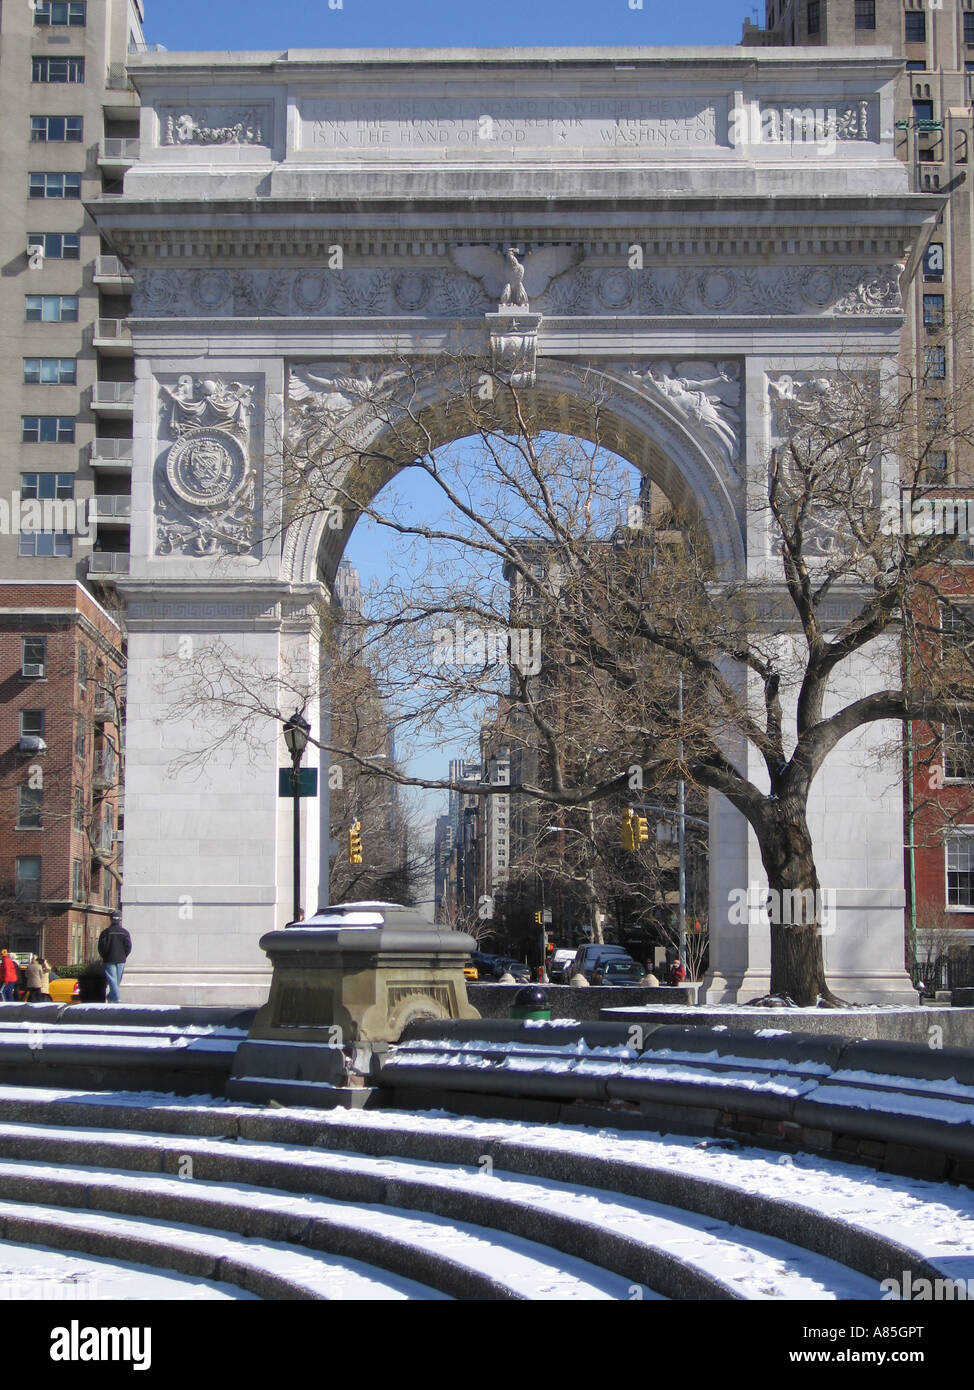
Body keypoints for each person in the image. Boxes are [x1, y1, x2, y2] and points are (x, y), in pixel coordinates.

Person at [97, 911, 132, 1003]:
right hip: (121, 959)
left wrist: (104, 955)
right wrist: (124, 955)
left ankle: (112, 997)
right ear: (120, 919)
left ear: (111, 919)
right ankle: (116, 998)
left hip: (109, 959)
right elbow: (128, 947)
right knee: (116, 980)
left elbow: (101, 947)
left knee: (112, 979)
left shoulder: (105, 932)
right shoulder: (125, 933)